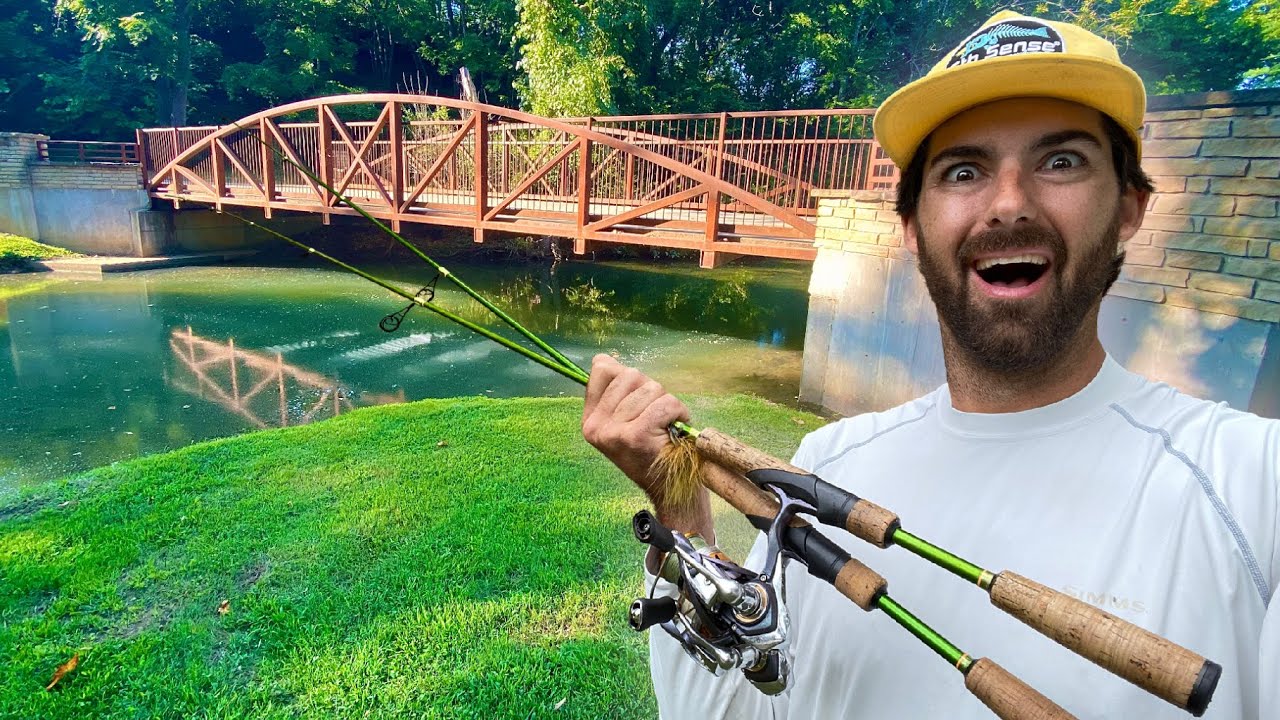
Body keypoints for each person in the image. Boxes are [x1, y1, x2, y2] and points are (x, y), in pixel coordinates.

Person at [581, 10, 1278, 720]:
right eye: (964, 171)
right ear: (912, 226)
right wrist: (681, 512)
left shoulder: (1256, 484)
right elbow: (730, 711)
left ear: (1129, 208)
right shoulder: (826, 461)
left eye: (1061, 161)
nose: (1010, 203)